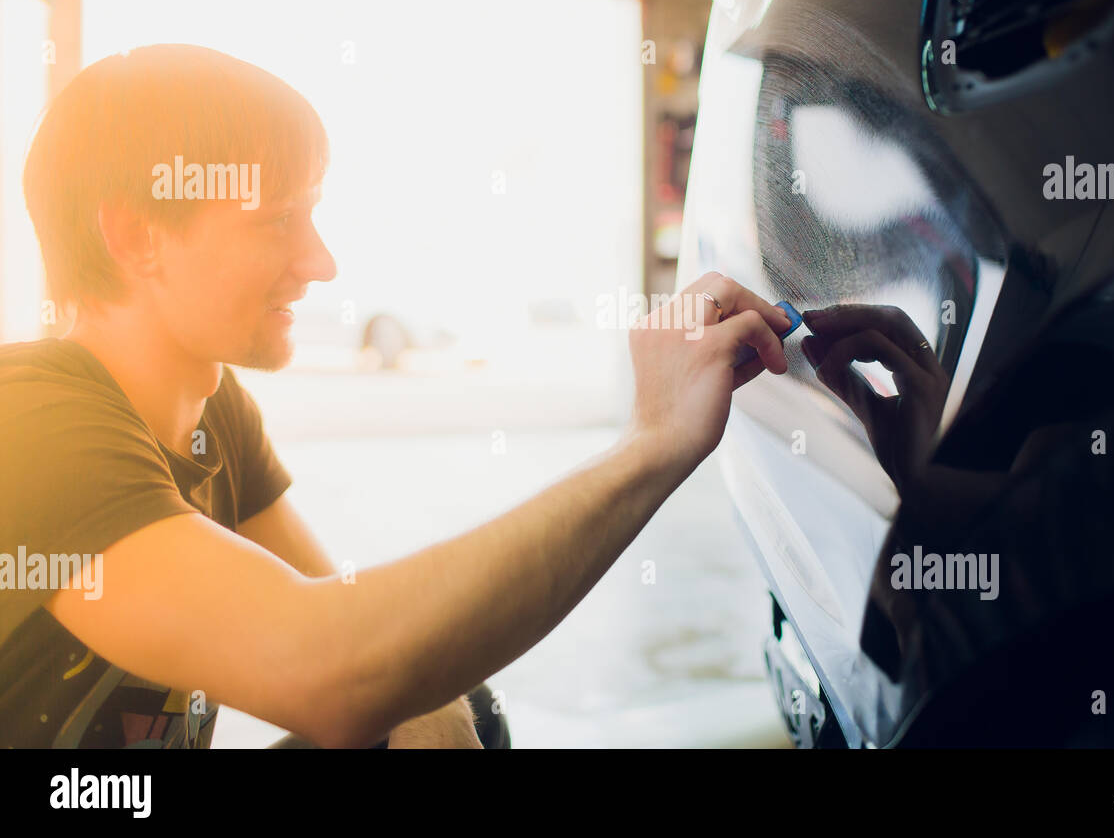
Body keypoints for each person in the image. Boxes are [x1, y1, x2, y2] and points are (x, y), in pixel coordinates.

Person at [0, 44, 793, 748]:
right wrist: (650, 442)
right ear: (137, 237)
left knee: (452, 698)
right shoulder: (29, 422)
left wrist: (429, 707)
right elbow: (328, 671)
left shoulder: (213, 408)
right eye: (278, 219)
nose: (321, 262)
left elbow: (338, 617)